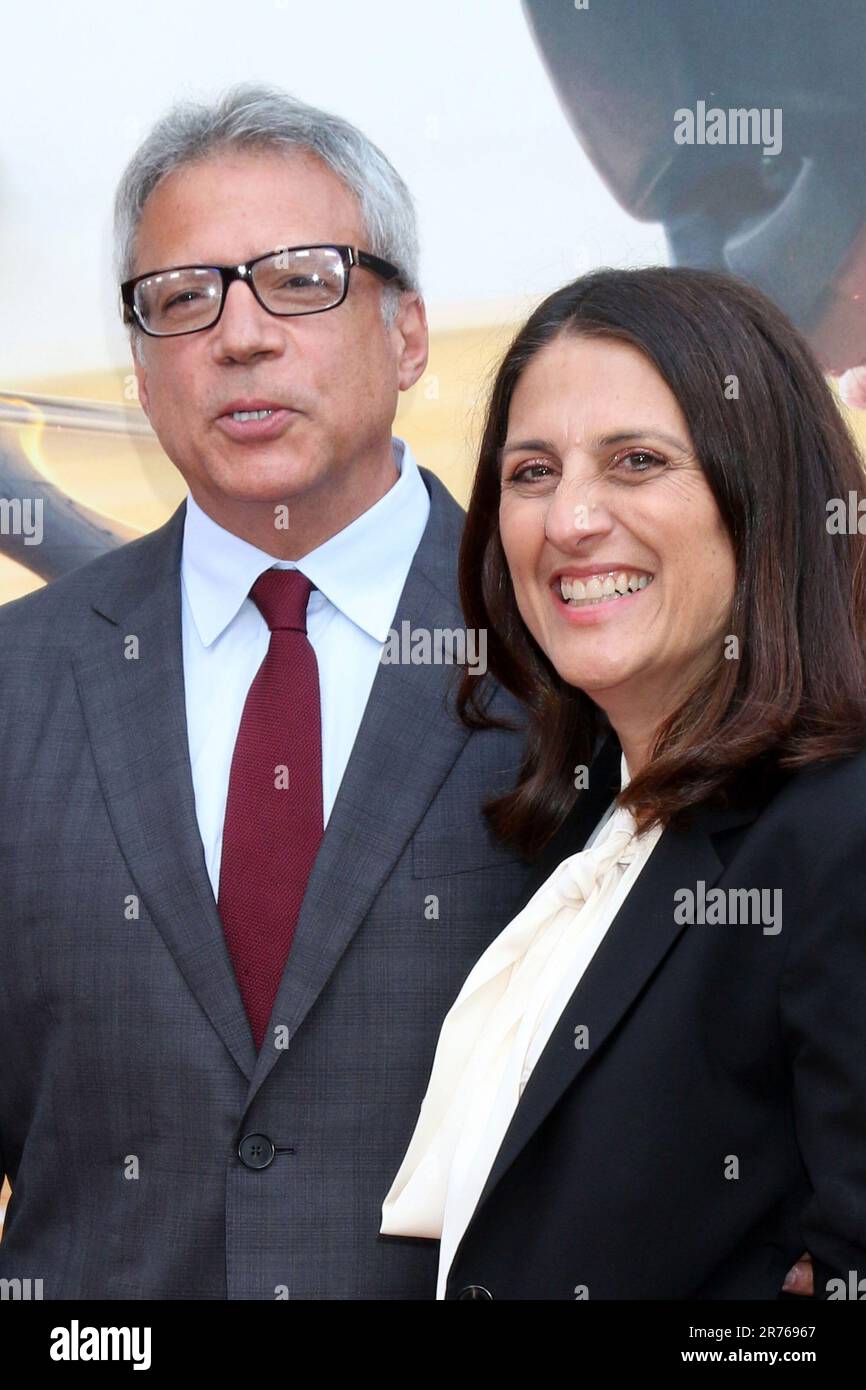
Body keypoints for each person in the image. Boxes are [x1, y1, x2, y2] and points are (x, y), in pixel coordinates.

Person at [0, 83, 537, 1300]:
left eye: (301, 280)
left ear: (407, 334)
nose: (240, 336)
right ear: (140, 372)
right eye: (183, 300)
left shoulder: (565, 654)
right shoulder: (19, 683)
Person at [381, 265, 866, 1299]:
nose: (569, 521)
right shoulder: (588, 838)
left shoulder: (839, 832)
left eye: (635, 461)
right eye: (529, 473)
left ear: (765, 493)